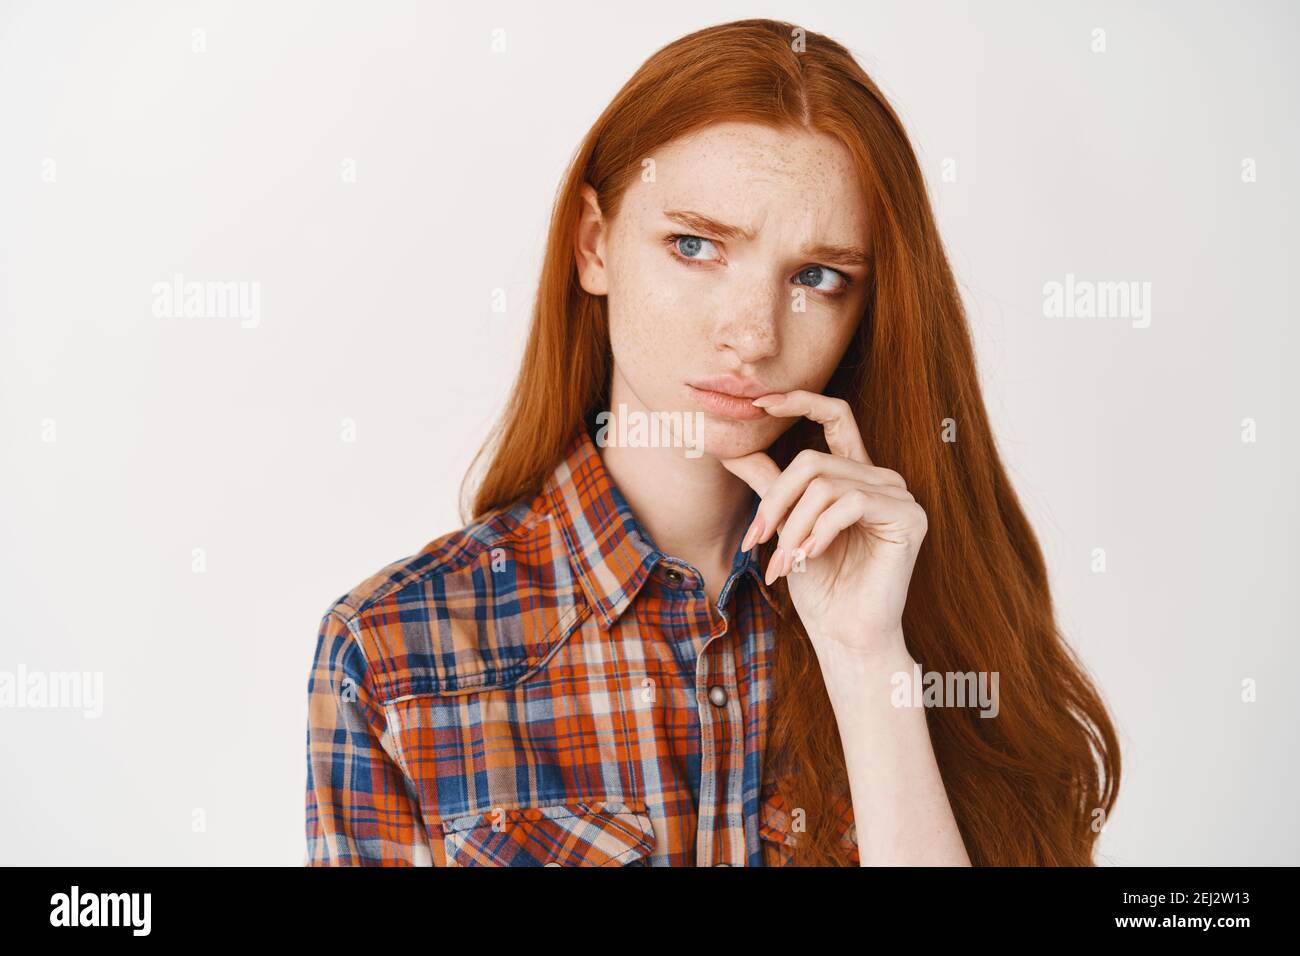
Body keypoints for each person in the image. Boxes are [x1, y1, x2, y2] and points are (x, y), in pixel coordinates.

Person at [305, 17, 1120, 866]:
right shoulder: (396, 650)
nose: (753, 333)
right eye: (696, 246)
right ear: (595, 245)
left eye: (817, 277)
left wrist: (864, 657)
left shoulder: (932, 613)